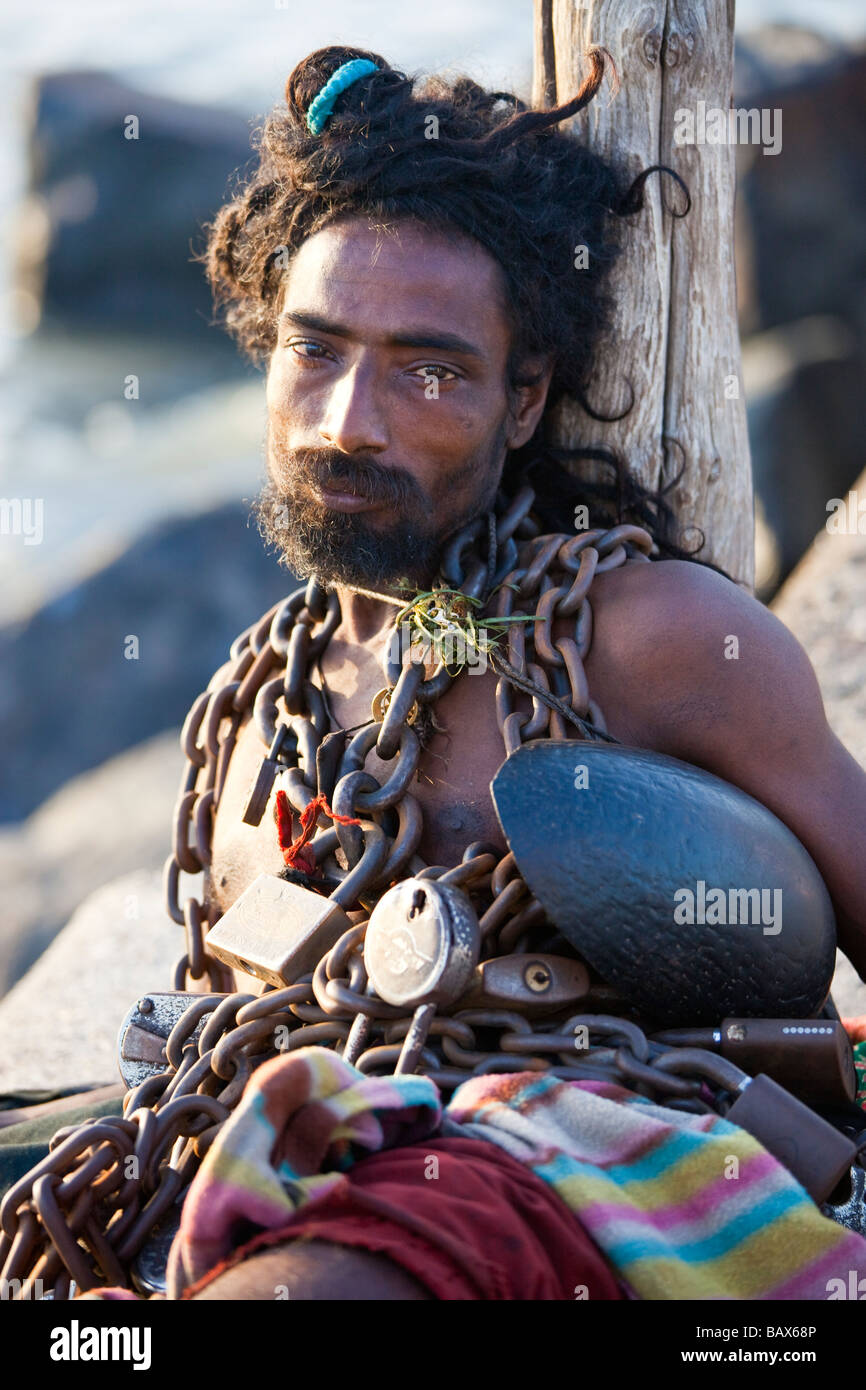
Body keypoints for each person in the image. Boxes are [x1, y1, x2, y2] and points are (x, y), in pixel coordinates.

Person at [86, 43, 866, 1300]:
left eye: (429, 367)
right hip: (300, 1161)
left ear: (522, 400)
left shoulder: (650, 641)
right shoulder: (248, 710)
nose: (348, 420)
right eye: (316, 348)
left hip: (577, 1167)